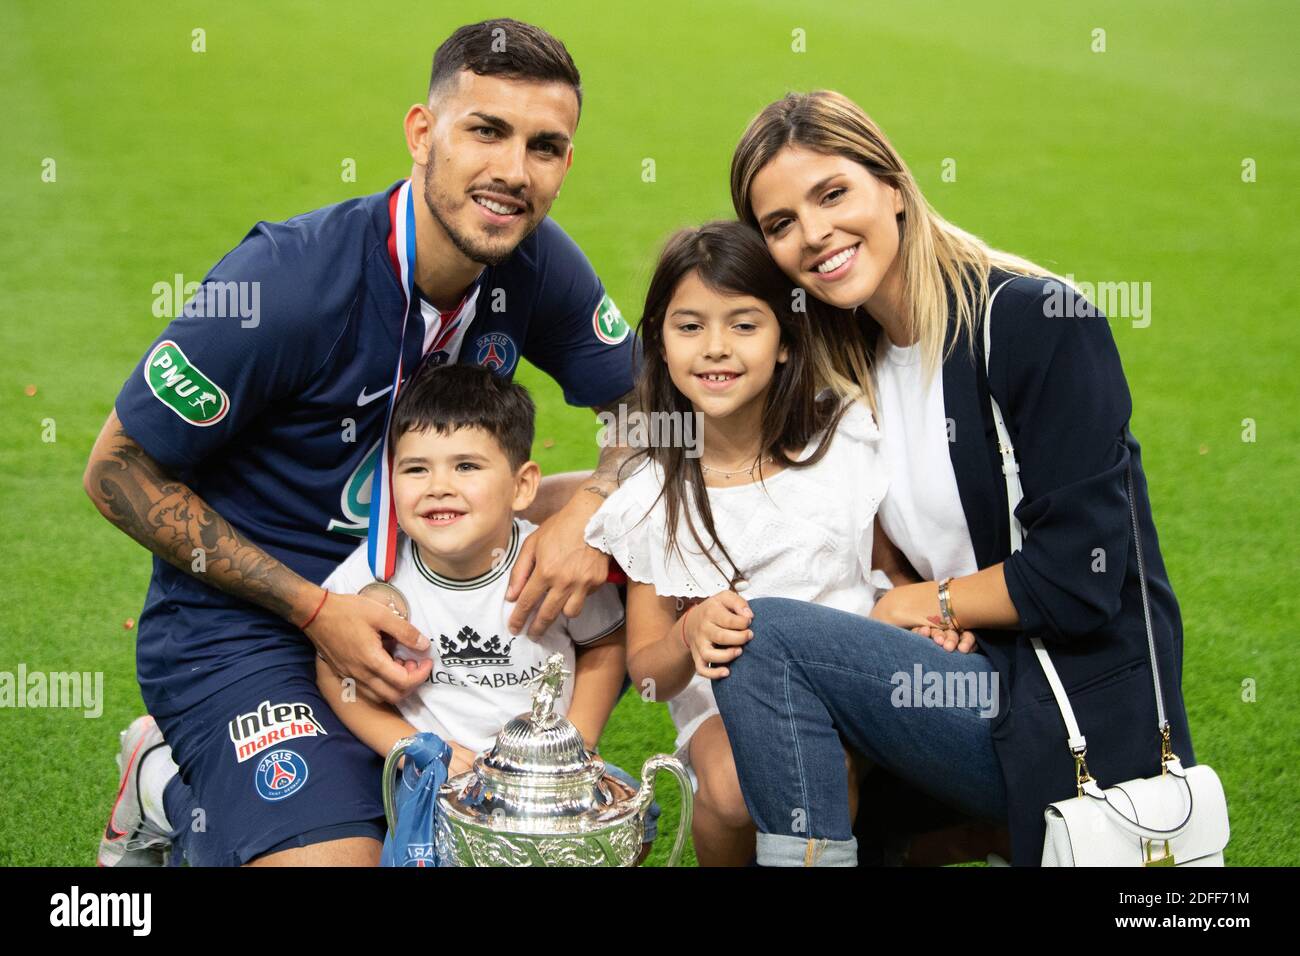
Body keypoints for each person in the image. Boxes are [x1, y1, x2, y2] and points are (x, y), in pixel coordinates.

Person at [87, 19, 644, 868]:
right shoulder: (287, 279)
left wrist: (596, 507)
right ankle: (165, 780)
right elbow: (116, 470)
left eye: (545, 146)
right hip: (251, 624)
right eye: (485, 131)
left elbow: (659, 412)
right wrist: (315, 610)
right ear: (423, 134)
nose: (512, 172)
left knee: (658, 492)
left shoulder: (537, 263)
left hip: (429, 600)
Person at [711, 89, 1197, 866]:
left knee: (765, 641)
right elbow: (698, 411)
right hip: (963, 676)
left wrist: (914, 603)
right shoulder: (850, 361)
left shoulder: (1033, 322)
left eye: (832, 194)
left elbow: (1077, 581)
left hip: (1068, 711)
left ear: (894, 186)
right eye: (780, 224)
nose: (814, 235)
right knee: (741, 770)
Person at [584, 221, 923, 865]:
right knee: (741, 788)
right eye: (689, 326)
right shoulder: (654, 496)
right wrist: (689, 634)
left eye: (744, 324)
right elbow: (649, 672)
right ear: (659, 340)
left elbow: (890, 572)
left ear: (787, 341)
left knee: (816, 771)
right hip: (723, 708)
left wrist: (927, 611)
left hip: (856, 686)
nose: (715, 348)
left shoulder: (843, 442)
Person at [314, 364, 657, 863]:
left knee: (631, 821)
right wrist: (418, 748)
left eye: (466, 466)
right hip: (442, 781)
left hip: (546, 778)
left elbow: (602, 643)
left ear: (522, 486)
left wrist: (578, 745)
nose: (438, 486)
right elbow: (334, 671)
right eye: (416, 469)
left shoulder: (549, 559)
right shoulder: (373, 575)